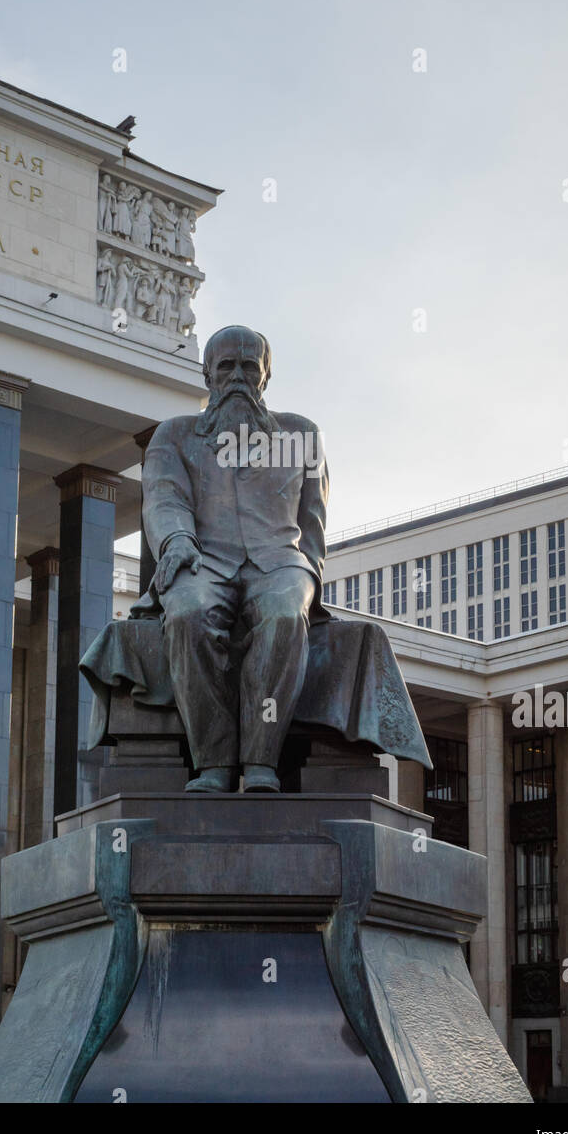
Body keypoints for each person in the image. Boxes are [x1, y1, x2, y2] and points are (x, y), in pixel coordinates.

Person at [141, 325, 328, 792]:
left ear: (266, 377)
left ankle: (261, 763)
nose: (239, 378)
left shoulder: (302, 435)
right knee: (186, 613)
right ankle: (215, 764)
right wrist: (176, 541)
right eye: (227, 367)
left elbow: (314, 521)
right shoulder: (174, 435)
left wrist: (309, 580)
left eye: (250, 367)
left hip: (279, 563)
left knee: (284, 613)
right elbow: (164, 498)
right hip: (204, 560)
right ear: (207, 375)